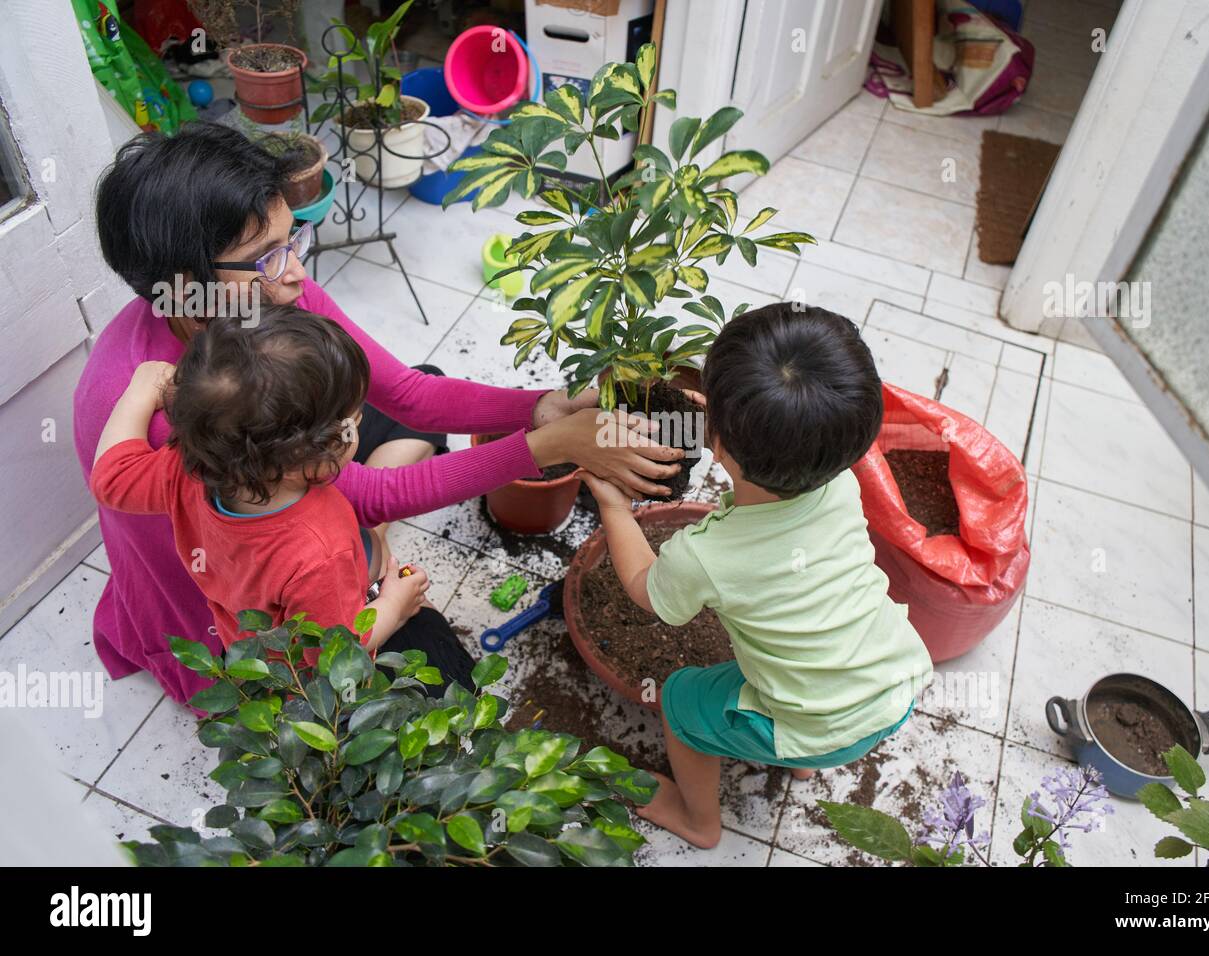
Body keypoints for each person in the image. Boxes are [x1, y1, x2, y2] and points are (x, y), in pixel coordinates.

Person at [74, 122, 681, 704]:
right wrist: (554, 446)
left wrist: (541, 408)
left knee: (420, 395)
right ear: (184, 284)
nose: (295, 274)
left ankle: (364, 540)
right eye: (266, 258)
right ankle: (361, 551)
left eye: (295, 240)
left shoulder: (267, 304)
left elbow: (409, 393)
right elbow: (375, 494)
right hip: (238, 613)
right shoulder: (164, 411)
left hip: (274, 477)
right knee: (444, 681)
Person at [580, 303, 934, 848]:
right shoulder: (840, 482)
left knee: (680, 699)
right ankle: (802, 765)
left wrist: (613, 506)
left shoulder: (705, 556)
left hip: (816, 723)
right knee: (802, 634)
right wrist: (723, 422)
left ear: (716, 442)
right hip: (892, 684)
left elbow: (646, 590)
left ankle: (698, 821)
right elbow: (769, 450)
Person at [89, 308, 475, 686]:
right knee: (453, 672)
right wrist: (394, 606)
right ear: (322, 462)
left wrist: (141, 390)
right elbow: (336, 660)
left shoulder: (188, 468)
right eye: (352, 423)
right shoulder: (321, 554)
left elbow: (111, 477)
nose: (357, 427)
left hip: (252, 630)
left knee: (421, 392)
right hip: (300, 671)